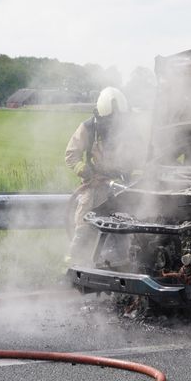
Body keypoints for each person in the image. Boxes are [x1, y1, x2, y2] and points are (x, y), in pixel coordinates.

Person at [64, 87, 136, 264]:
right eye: (111, 120)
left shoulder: (128, 130)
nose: (114, 125)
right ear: (102, 115)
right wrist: (86, 171)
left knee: (124, 228)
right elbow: (71, 154)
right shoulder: (88, 128)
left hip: (119, 186)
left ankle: (119, 266)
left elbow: (137, 156)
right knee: (84, 225)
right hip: (94, 185)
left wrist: (131, 174)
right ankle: (71, 266)